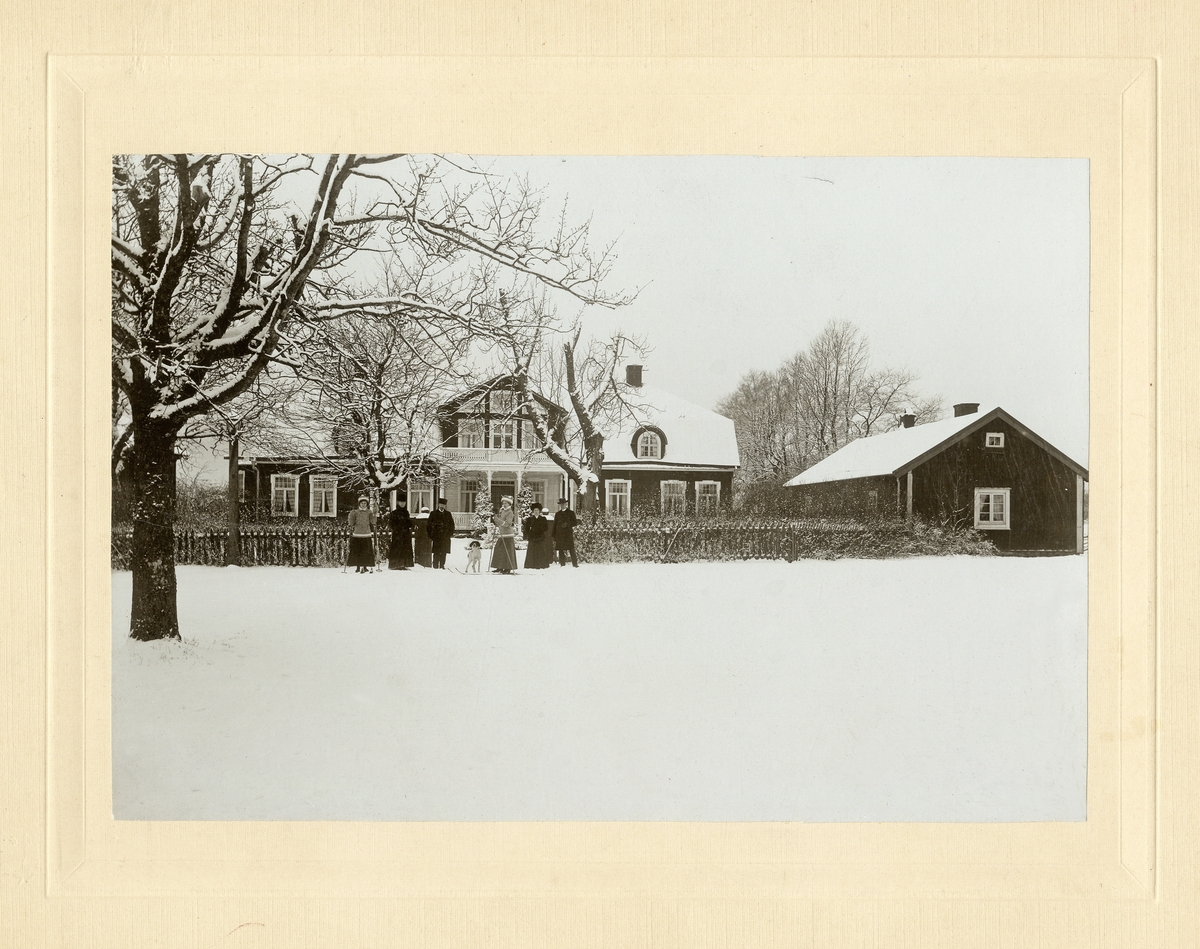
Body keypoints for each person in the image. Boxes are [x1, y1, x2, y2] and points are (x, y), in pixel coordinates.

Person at [346, 496, 376, 574]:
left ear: (367, 504)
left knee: (366, 552)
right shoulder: (355, 512)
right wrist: (350, 516)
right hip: (357, 534)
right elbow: (351, 523)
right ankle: (358, 567)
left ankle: (365, 566)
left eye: (365, 503)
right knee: (358, 551)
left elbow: (373, 522)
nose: (363, 505)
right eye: (362, 503)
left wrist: (375, 514)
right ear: (359, 504)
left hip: (366, 534)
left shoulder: (369, 512)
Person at [489, 495, 518, 574]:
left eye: (506, 503)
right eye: (503, 503)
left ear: (509, 504)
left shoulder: (510, 512)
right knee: (499, 549)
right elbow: (499, 521)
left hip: (508, 534)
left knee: (507, 551)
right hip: (502, 533)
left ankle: (507, 568)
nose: (504, 504)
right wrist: (495, 517)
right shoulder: (502, 511)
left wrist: (497, 520)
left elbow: (507, 524)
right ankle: (500, 567)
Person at [426, 497, 456, 570]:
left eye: (443, 505)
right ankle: (435, 565)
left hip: (445, 536)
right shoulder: (433, 513)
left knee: (444, 551)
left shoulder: (448, 514)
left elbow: (452, 525)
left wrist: (449, 534)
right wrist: (431, 535)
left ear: (445, 506)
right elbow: (429, 525)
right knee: (436, 551)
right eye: (440, 504)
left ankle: (442, 565)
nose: (442, 506)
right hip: (436, 536)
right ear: (438, 505)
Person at [386, 495, 413, 570]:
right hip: (397, 534)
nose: (402, 504)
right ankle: (395, 565)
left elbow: (408, 523)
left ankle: (404, 564)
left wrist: (409, 524)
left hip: (405, 534)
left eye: (404, 502)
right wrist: (398, 529)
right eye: (401, 502)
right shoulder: (394, 513)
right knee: (396, 548)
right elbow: (392, 524)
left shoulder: (406, 512)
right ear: (398, 502)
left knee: (405, 549)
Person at [522, 505, 551, 569]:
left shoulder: (543, 519)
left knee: (540, 550)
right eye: (535, 510)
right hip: (532, 537)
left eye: (537, 510)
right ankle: (531, 564)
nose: (536, 512)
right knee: (532, 551)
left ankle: (541, 564)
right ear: (533, 511)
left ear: (539, 511)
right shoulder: (530, 519)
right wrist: (529, 533)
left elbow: (546, 528)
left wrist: (540, 529)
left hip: (540, 537)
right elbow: (526, 528)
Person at [552, 497, 579, 567]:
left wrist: (567, 524)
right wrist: (554, 535)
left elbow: (575, 522)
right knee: (561, 549)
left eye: (563, 504)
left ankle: (575, 564)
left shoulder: (571, 513)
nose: (562, 505)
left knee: (571, 548)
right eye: (561, 504)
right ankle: (562, 564)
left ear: (566, 504)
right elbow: (555, 525)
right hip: (560, 534)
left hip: (568, 534)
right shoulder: (557, 514)